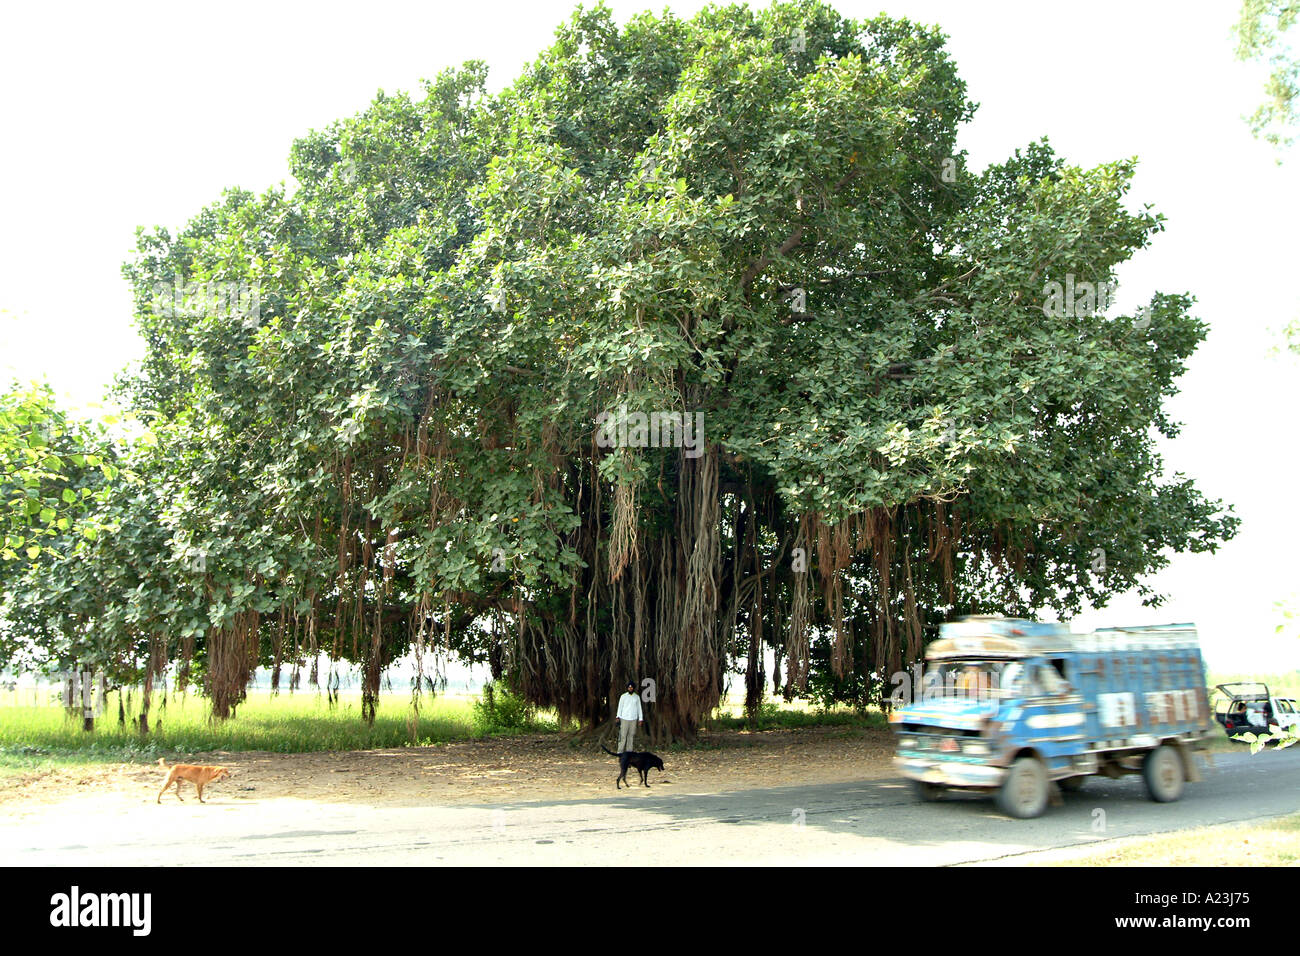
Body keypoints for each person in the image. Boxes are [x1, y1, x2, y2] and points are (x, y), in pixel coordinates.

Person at [616, 681, 643, 754]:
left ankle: (629, 753)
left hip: (633, 719)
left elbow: (639, 708)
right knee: (623, 736)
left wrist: (640, 719)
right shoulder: (623, 696)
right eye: (629, 687)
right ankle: (620, 753)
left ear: (633, 688)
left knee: (630, 736)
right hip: (624, 718)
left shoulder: (636, 697)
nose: (630, 688)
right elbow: (620, 707)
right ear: (627, 688)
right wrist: (617, 716)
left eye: (631, 687)